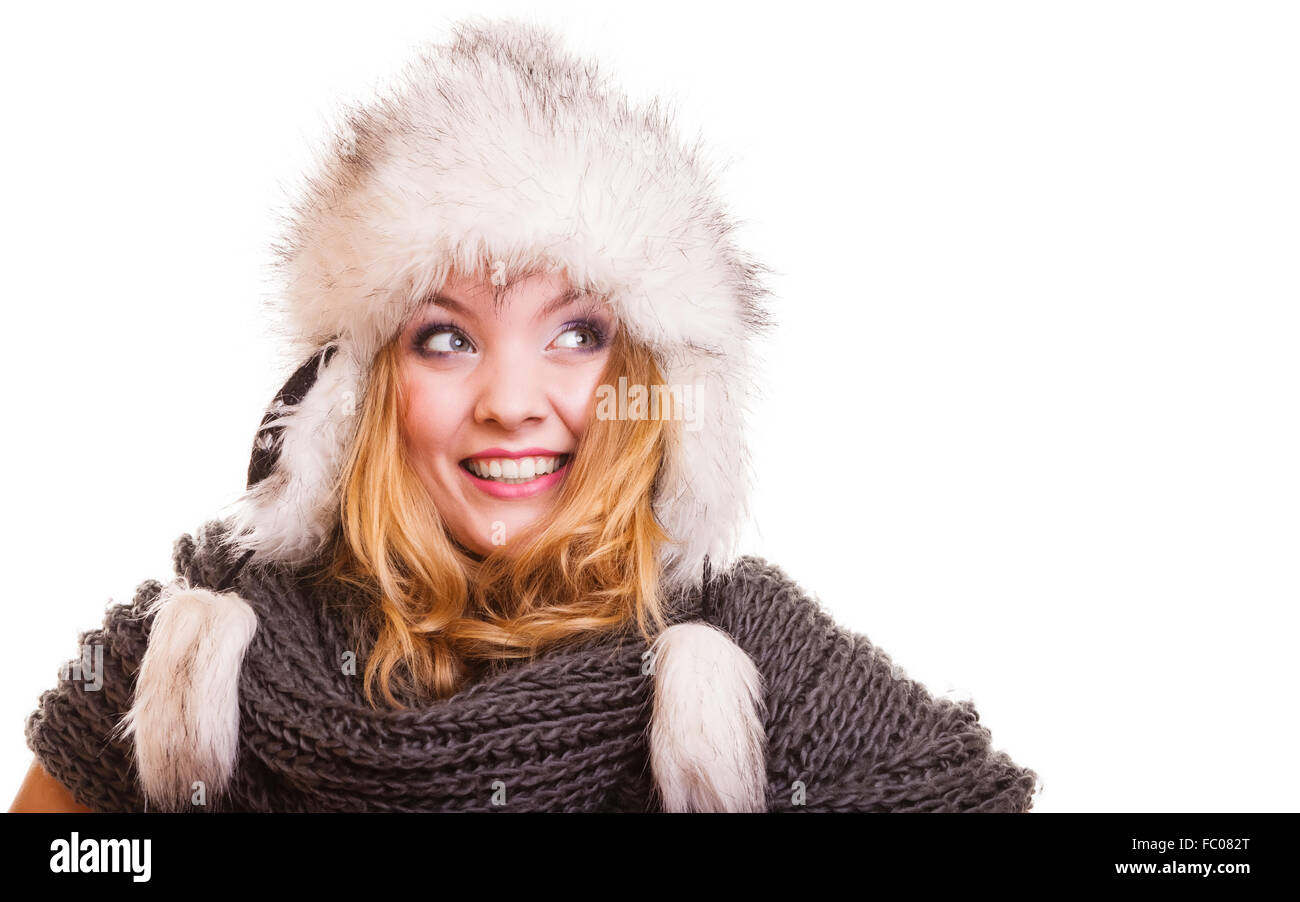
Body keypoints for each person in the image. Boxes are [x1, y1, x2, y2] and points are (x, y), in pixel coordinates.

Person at [12, 18, 1039, 813]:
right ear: (359, 390)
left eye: (578, 335)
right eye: (446, 337)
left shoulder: (753, 657)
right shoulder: (195, 652)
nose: (510, 402)